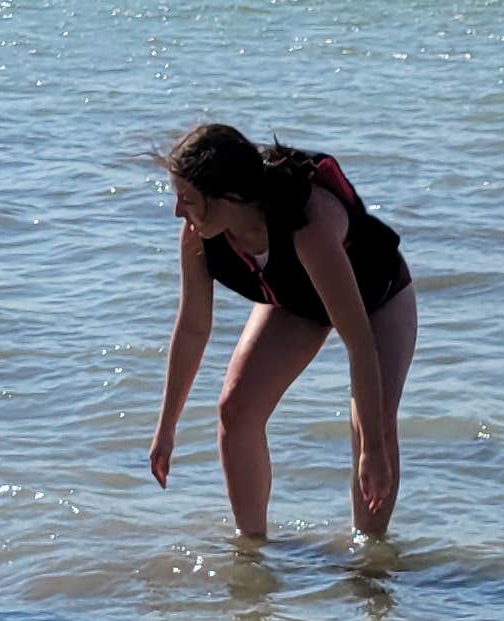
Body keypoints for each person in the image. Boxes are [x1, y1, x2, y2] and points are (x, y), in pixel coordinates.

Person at [149, 123, 416, 539]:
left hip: (376, 299)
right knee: (235, 409)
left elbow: (359, 344)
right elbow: (192, 329)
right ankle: (253, 553)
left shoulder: (307, 228)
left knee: (372, 428)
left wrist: (374, 451)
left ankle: (371, 568)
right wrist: (166, 427)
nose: (177, 212)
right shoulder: (198, 237)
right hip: (297, 302)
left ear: (228, 195)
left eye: (187, 199)